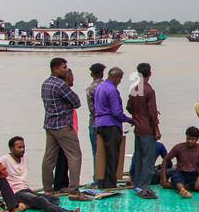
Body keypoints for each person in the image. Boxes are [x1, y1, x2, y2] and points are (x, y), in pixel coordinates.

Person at [0, 136, 80, 212]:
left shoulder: (24, 157)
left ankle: (26, 205)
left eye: (23, 147)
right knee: (41, 200)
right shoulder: (4, 159)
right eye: (19, 147)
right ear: (11, 149)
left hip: (26, 190)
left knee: (55, 199)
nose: (22, 149)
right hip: (16, 192)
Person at [41, 57, 83, 192]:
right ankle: (73, 187)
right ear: (55, 69)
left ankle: (47, 188)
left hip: (50, 125)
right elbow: (76, 102)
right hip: (63, 125)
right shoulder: (60, 85)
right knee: (75, 155)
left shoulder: (45, 84)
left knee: (49, 159)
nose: (66, 70)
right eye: (64, 68)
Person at [92, 66, 133, 188]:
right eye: (120, 79)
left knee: (102, 155)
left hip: (99, 124)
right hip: (111, 125)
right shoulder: (112, 90)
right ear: (117, 78)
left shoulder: (100, 87)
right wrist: (129, 119)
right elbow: (116, 112)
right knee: (112, 155)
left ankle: (102, 181)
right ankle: (110, 183)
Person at [127, 62, 161, 199]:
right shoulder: (149, 90)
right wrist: (157, 129)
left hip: (138, 126)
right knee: (148, 158)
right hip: (147, 127)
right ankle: (144, 186)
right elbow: (152, 113)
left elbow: (129, 107)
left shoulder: (135, 88)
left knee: (138, 156)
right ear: (150, 73)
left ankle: (136, 183)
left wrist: (137, 115)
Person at [162, 127, 199, 197]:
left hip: (193, 174)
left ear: (197, 139)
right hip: (180, 173)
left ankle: (177, 186)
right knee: (175, 177)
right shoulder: (178, 147)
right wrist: (163, 178)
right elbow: (166, 160)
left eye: (192, 139)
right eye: (188, 139)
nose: (190, 141)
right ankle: (182, 190)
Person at [85, 63, 106, 158]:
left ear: (91, 74)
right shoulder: (109, 87)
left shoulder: (89, 89)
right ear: (103, 73)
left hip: (94, 122)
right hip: (108, 124)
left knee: (96, 153)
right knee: (108, 153)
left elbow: (91, 109)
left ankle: (96, 172)